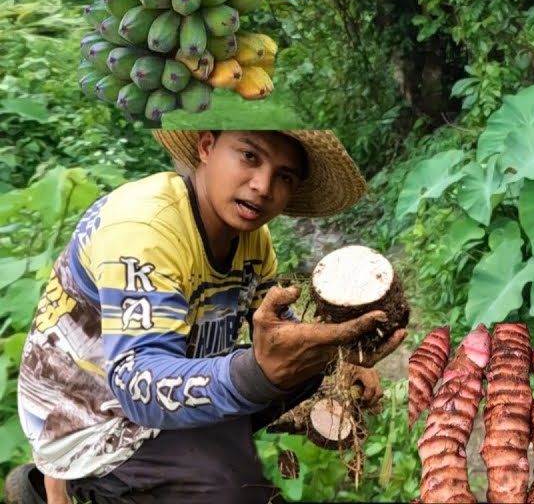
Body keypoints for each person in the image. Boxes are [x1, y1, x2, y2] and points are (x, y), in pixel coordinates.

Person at [6, 129, 408, 504]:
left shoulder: (254, 240)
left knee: (294, 363)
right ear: (205, 146)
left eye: (283, 176)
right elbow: (136, 386)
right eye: (249, 156)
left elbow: (277, 332)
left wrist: (336, 362)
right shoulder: (145, 230)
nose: (263, 187)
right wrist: (259, 373)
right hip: (95, 415)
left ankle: (184, 461)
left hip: (175, 377)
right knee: (235, 491)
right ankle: (70, 479)